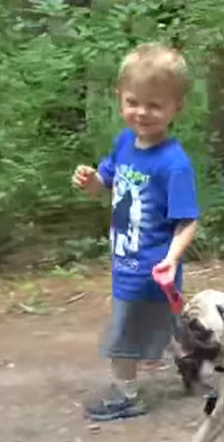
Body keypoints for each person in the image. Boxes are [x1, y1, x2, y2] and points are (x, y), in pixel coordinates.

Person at [70, 42, 199, 422]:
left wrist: (171, 259)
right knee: (170, 321)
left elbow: (187, 221)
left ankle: (128, 395)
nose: (142, 113)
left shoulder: (174, 164)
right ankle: (195, 363)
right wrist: (91, 181)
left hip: (150, 269)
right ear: (120, 98)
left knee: (123, 335)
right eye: (133, 102)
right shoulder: (125, 142)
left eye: (155, 105)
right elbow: (106, 182)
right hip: (124, 258)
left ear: (177, 107)